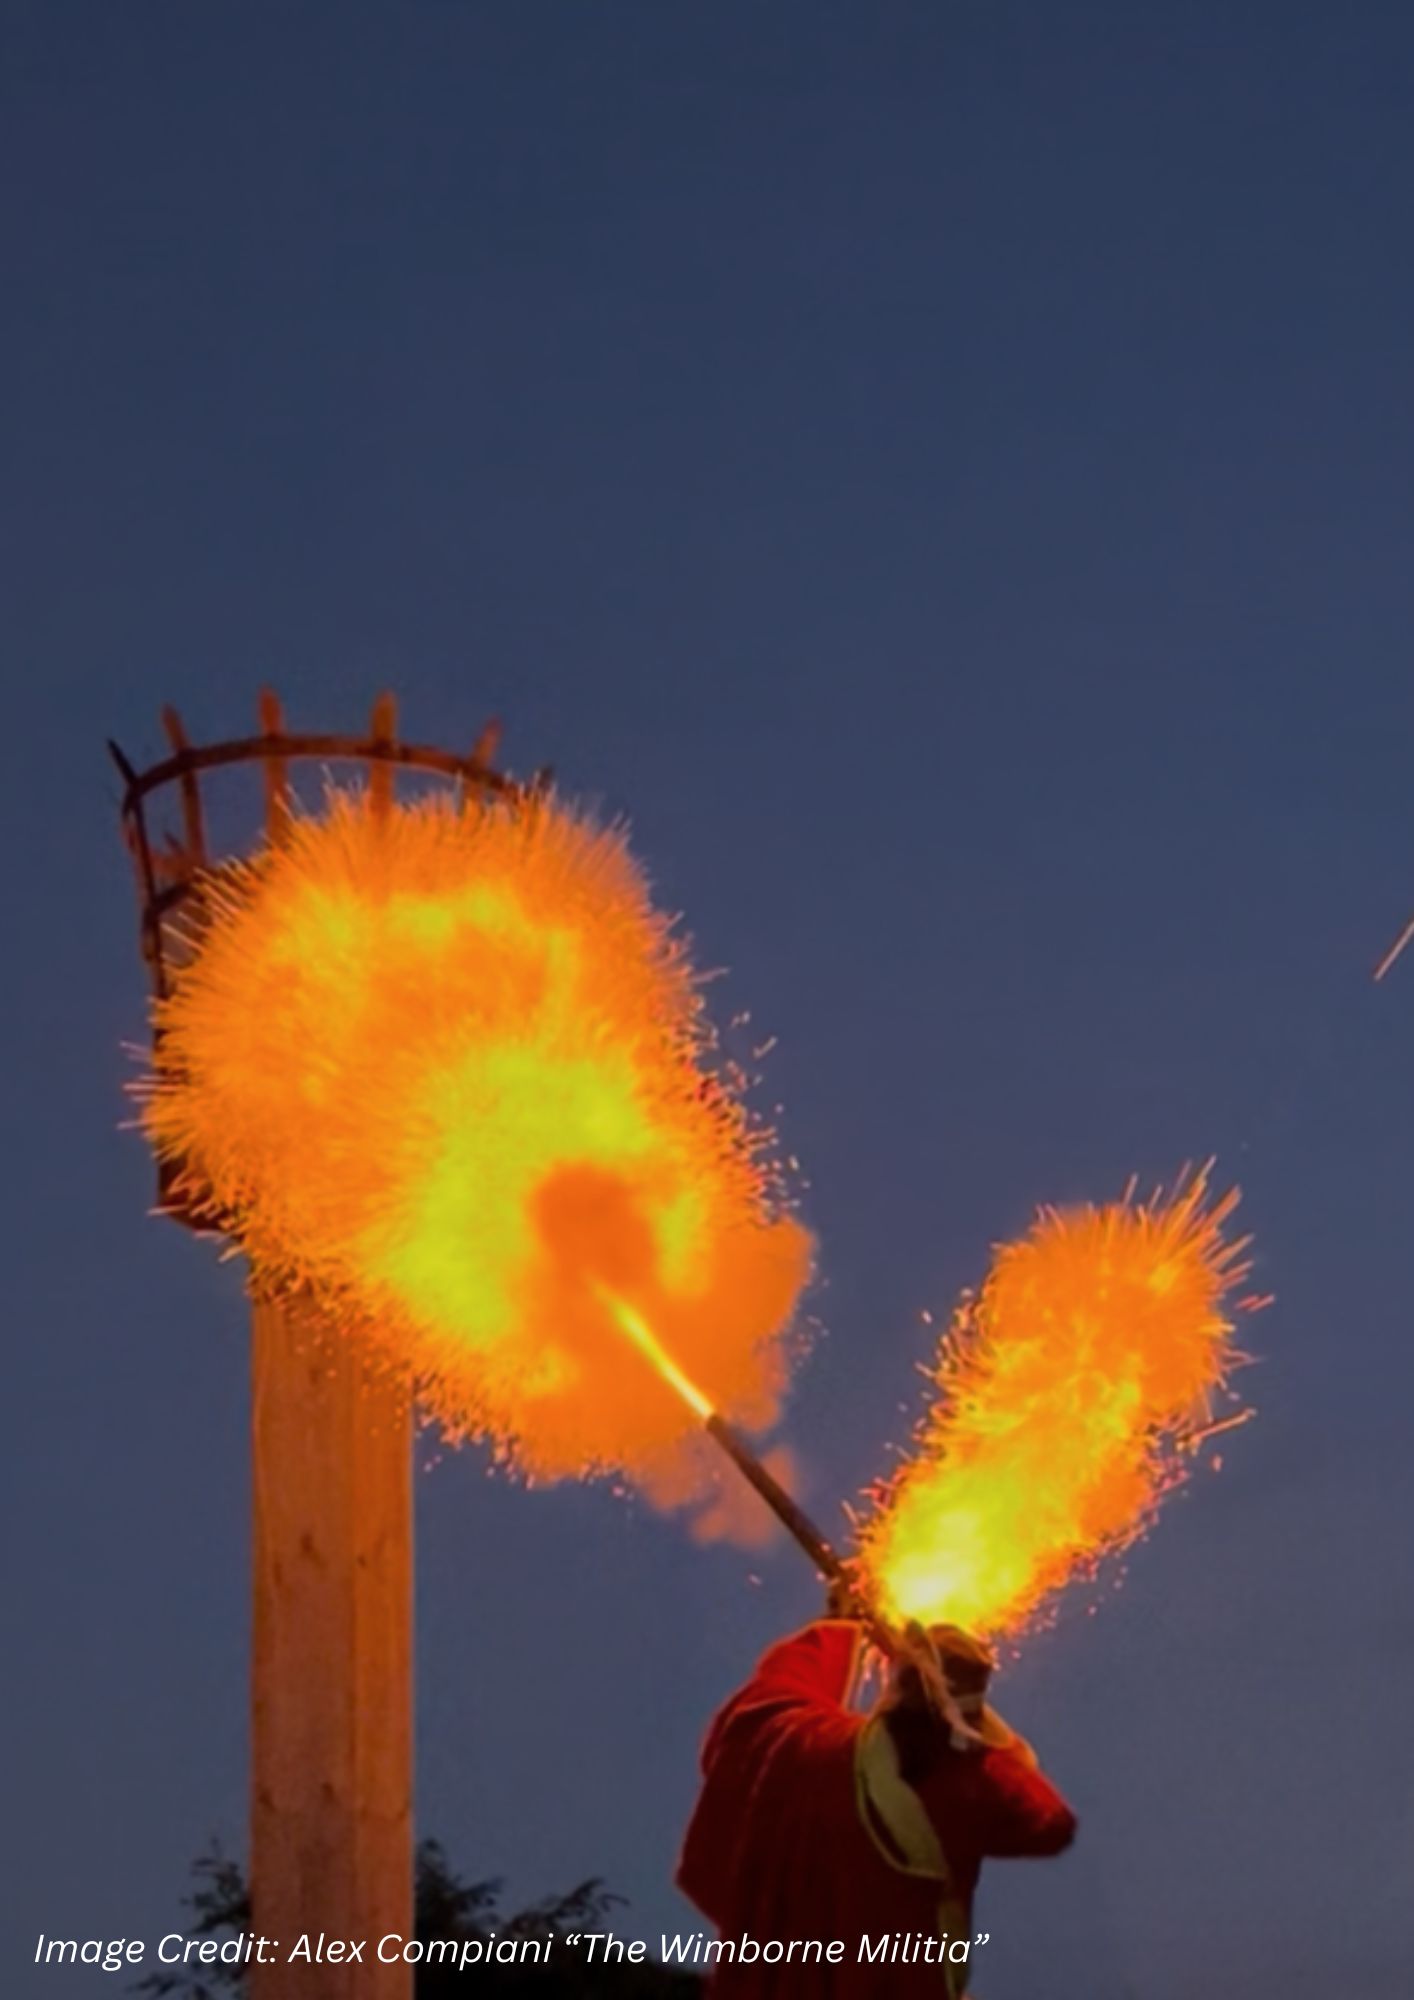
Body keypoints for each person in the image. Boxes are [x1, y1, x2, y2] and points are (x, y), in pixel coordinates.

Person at [677, 1607, 1076, 1996]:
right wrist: (977, 1736)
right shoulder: (971, 1785)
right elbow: (1050, 1822)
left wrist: (837, 1625)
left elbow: (770, 1703)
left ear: (896, 1682)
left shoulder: (811, 1743)